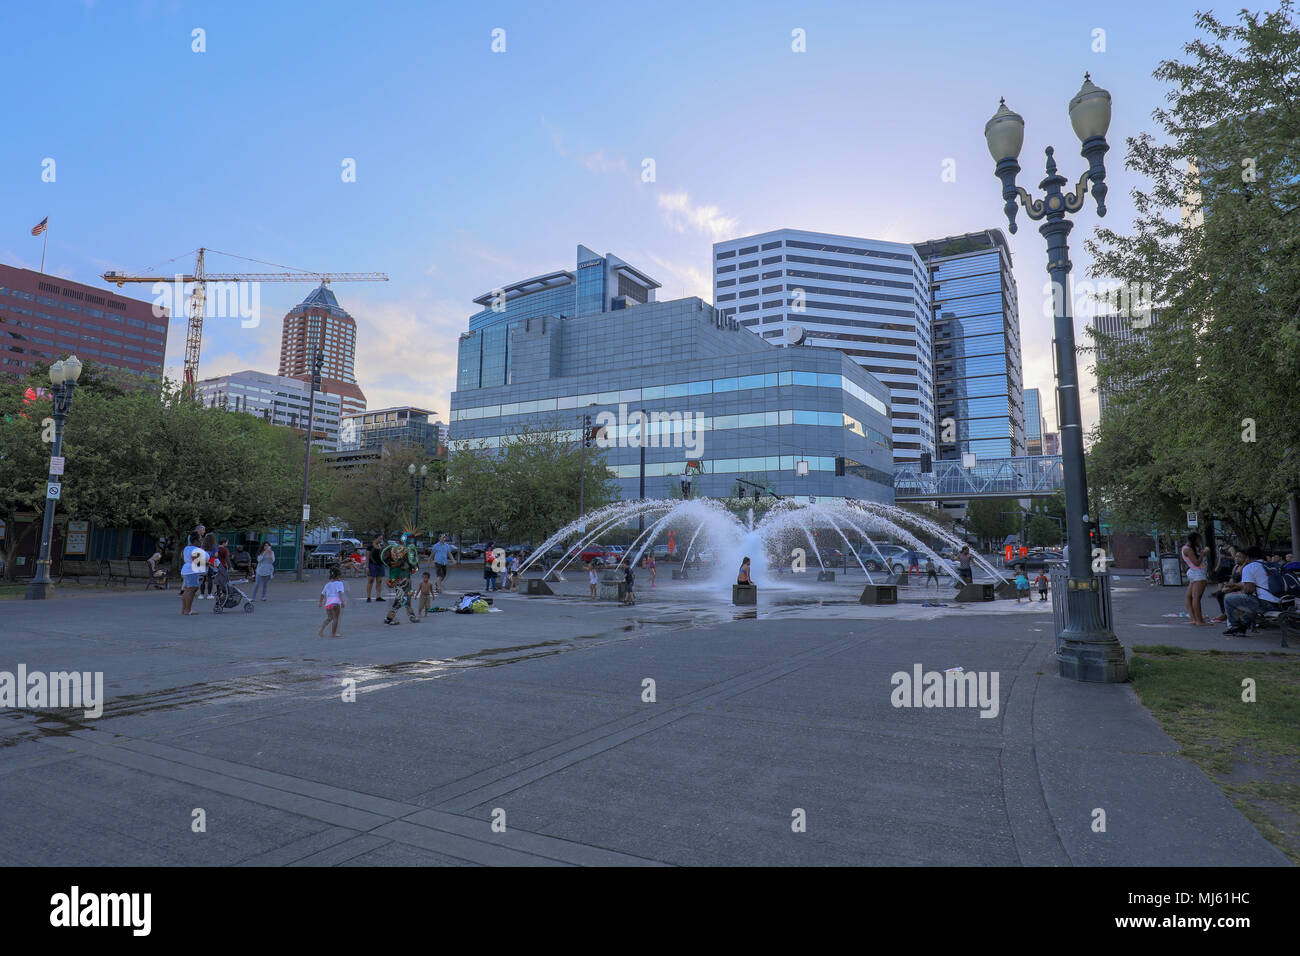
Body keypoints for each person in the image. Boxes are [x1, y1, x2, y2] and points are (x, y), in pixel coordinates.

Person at [1223, 546, 1282, 636]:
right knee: (1251, 601)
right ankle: (1243, 626)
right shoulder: (1272, 565)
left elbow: (1249, 590)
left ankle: (1235, 627)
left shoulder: (1250, 567)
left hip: (1267, 604)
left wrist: (1242, 591)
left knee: (1229, 598)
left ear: (1247, 557)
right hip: (1283, 602)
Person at [380, 535, 421, 625]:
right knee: (401, 599)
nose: (411, 542)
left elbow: (412, 566)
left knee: (407, 596)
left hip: (404, 578)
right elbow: (413, 566)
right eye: (410, 540)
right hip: (401, 579)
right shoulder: (402, 552)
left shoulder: (400, 551)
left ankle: (411, 616)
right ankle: (388, 619)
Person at [1181, 532, 1210, 626]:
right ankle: (1199, 620)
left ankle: (1194, 618)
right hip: (1198, 573)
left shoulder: (1187, 548)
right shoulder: (1188, 549)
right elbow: (1196, 563)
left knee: (1190, 596)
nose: (1200, 541)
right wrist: (1202, 553)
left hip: (1194, 572)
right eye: (1199, 539)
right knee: (1196, 597)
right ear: (1195, 539)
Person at [1211, 550, 1247, 623]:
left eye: (1240, 557)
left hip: (1241, 589)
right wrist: (1227, 586)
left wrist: (1231, 588)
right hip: (1234, 587)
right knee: (1220, 593)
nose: (1237, 558)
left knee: (1225, 594)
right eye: (1236, 556)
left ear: (1245, 559)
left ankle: (1227, 614)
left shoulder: (1245, 568)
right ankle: (1225, 613)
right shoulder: (1236, 567)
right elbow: (1232, 580)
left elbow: (1244, 584)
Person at [180, 532, 206, 615]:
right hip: (192, 571)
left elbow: (182, 556)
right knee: (191, 590)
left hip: (186, 570)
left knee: (187, 590)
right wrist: (206, 563)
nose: (201, 541)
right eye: (200, 539)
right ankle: (188, 610)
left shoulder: (186, 548)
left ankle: (184, 609)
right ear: (196, 540)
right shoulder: (196, 549)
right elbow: (196, 560)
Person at [318, 566, 346, 638]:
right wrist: (342, 601)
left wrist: (320, 602)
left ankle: (321, 629)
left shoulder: (327, 584)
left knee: (329, 618)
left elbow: (322, 594)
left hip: (328, 602)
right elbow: (339, 592)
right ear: (339, 576)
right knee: (336, 618)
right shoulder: (339, 583)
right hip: (335, 601)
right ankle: (333, 633)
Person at [366, 536, 384, 603]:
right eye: (380, 538)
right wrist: (367, 567)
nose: (381, 540)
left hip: (380, 565)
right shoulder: (370, 546)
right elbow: (367, 557)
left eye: (382, 539)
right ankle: (368, 597)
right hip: (372, 565)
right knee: (371, 580)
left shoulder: (381, 546)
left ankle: (378, 596)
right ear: (376, 538)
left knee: (379, 581)